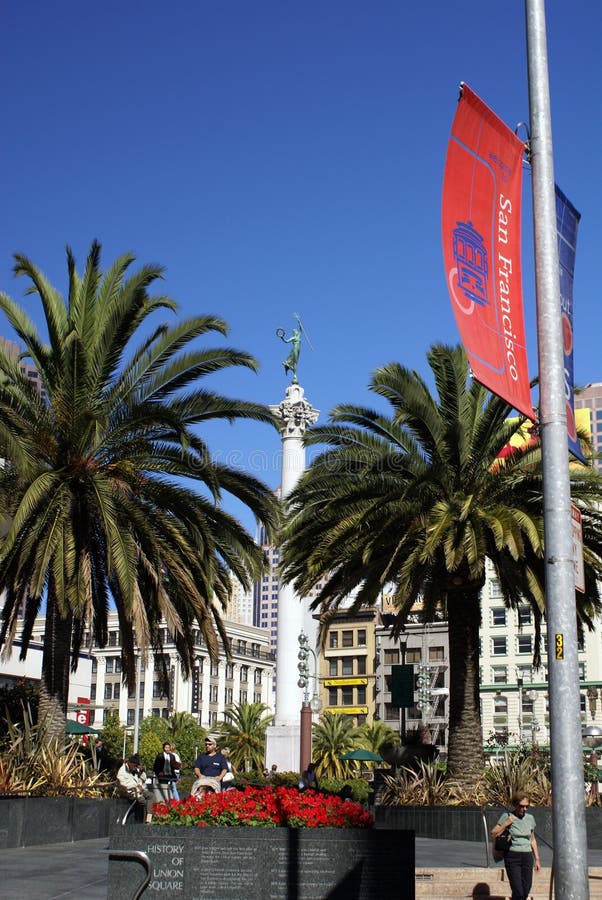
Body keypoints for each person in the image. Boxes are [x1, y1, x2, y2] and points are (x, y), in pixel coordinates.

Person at [490, 790, 540, 900]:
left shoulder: (530, 818)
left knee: (526, 888)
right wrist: (506, 823)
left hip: (527, 856)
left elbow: (532, 840)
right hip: (512, 856)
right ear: (515, 805)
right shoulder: (507, 816)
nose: (525, 809)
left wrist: (537, 859)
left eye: (527, 806)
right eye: (522, 806)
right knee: (518, 889)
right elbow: (493, 833)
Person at [117, 754, 154, 823]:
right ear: (130, 763)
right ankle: (144, 822)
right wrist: (137, 787)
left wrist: (142, 772)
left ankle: (149, 818)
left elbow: (143, 779)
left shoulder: (133, 768)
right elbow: (124, 784)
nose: (135, 768)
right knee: (145, 802)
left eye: (137, 766)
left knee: (151, 796)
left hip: (139, 790)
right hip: (131, 793)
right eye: (135, 766)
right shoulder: (122, 772)